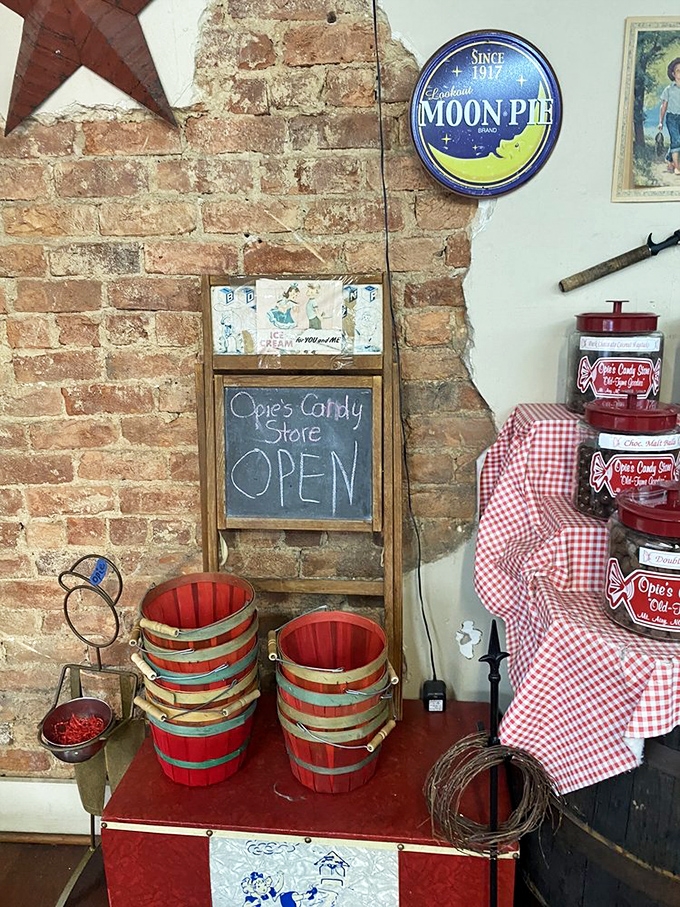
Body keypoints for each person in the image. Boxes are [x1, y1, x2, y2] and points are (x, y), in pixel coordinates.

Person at [658, 57, 680, 175]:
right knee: (676, 140)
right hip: (672, 118)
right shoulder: (669, 89)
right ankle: (677, 167)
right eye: (678, 71)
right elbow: (663, 106)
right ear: (673, 74)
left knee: (676, 141)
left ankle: (669, 159)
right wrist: (660, 121)